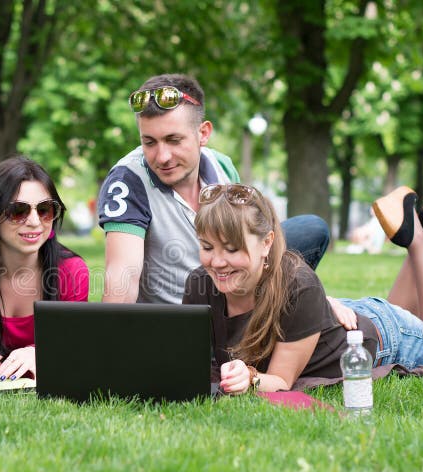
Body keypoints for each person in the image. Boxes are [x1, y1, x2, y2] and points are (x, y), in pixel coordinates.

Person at [183, 182, 423, 393]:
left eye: (232, 249)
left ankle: (419, 239)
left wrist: (250, 378)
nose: (217, 262)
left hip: (386, 335)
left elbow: (281, 382)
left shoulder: (297, 287)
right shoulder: (199, 283)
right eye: (207, 246)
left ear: (267, 243)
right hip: (341, 321)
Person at [97, 73, 331, 304]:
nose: (162, 156)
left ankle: (287, 304)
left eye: (174, 140)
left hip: (232, 288)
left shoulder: (222, 166)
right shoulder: (127, 180)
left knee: (310, 229)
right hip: (187, 316)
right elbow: (122, 279)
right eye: (149, 142)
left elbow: (248, 238)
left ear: (203, 133)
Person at [0, 156, 89, 382]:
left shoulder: (71, 271)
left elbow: (73, 343)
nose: (34, 221)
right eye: (18, 211)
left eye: (45, 209)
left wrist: (40, 353)